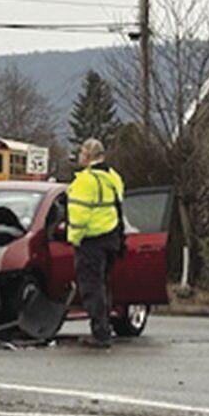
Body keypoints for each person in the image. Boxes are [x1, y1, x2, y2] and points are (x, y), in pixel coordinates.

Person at [67, 138, 125, 348]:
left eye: (82, 152)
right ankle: (104, 327)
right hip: (111, 236)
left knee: (92, 287)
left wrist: (73, 239)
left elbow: (79, 215)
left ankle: (99, 333)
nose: (80, 156)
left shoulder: (85, 181)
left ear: (88, 155)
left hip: (91, 240)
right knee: (103, 285)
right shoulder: (113, 177)